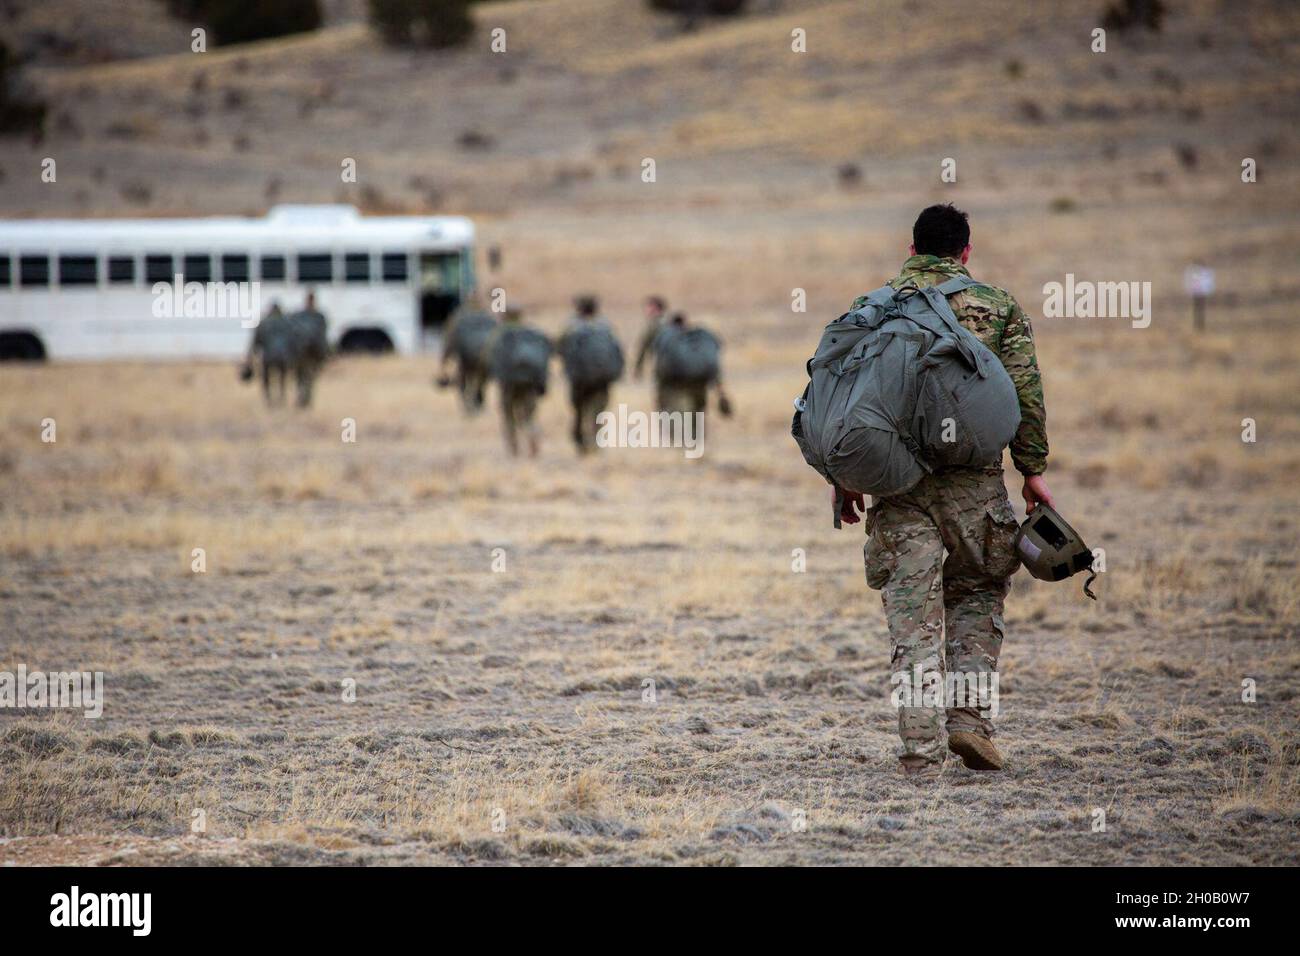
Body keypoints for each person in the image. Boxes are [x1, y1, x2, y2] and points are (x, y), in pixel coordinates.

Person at [838, 203, 1051, 780]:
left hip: (897, 487)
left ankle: (920, 753)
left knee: (913, 622)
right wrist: (1032, 471)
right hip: (975, 489)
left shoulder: (872, 308)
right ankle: (970, 721)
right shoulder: (997, 307)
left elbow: (844, 405)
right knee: (978, 595)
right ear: (965, 253)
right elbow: (1024, 394)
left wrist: (844, 479)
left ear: (911, 251)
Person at [557, 295, 624, 455]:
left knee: (579, 411)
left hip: (579, 379)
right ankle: (596, 444)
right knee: (598, 413)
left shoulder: (571, 327)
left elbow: (560, 349)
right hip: (602, 379)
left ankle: (582, 444)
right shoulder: (606, 327)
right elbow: (617, 351)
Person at [485, 307, 551, 457]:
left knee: (509, 417)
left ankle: (514, 451)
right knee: (530, 415)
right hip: (530, 381)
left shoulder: (499, 334)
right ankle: (533, 437)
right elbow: (545, 355)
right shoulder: (533, 333)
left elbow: (489, 357)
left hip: (508, 382)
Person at [651, 312, 732, 417]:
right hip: (700, 385)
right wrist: (721, 394)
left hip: (676, 388)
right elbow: (713, 369)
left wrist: (659, 399)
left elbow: (661, 371)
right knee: (697, 418)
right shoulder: (699, 342)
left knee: (680, 420)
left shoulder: (669, 341)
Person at [437, 296, 496, 415]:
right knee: (481, 380)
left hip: (466, 356)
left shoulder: (459, 318)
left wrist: (444, 360)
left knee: (463, 379)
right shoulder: (489, 317)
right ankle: (478, 402)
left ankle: (467, 405)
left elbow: (450, 339)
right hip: (484, 356)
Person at [244, 300, 294, 407]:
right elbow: (293, 341)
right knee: (282, 379)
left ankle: (268, 400)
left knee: (266, 379)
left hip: (268, 357)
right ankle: (281, 399)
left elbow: (255, 343)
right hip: (283, 357)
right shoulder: (287, 323)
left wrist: (249, 359)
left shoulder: (264, 323)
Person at [285, 291, 328, 408]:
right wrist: (324, 355)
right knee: (308, 377)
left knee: (301, 377)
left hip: (299, 353)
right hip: (311, 353)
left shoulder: (297, 316)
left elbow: (290, 334)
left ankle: (302, 399)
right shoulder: (319, 317)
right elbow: (322, 337)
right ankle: (305, 400)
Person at [633, 295, 667, 380]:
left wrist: (638, 369)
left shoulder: (653, 325)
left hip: (660, 364)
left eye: (648, 307)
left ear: (655, 308)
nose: (646, 310)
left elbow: (643, 348)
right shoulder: (669, 322)